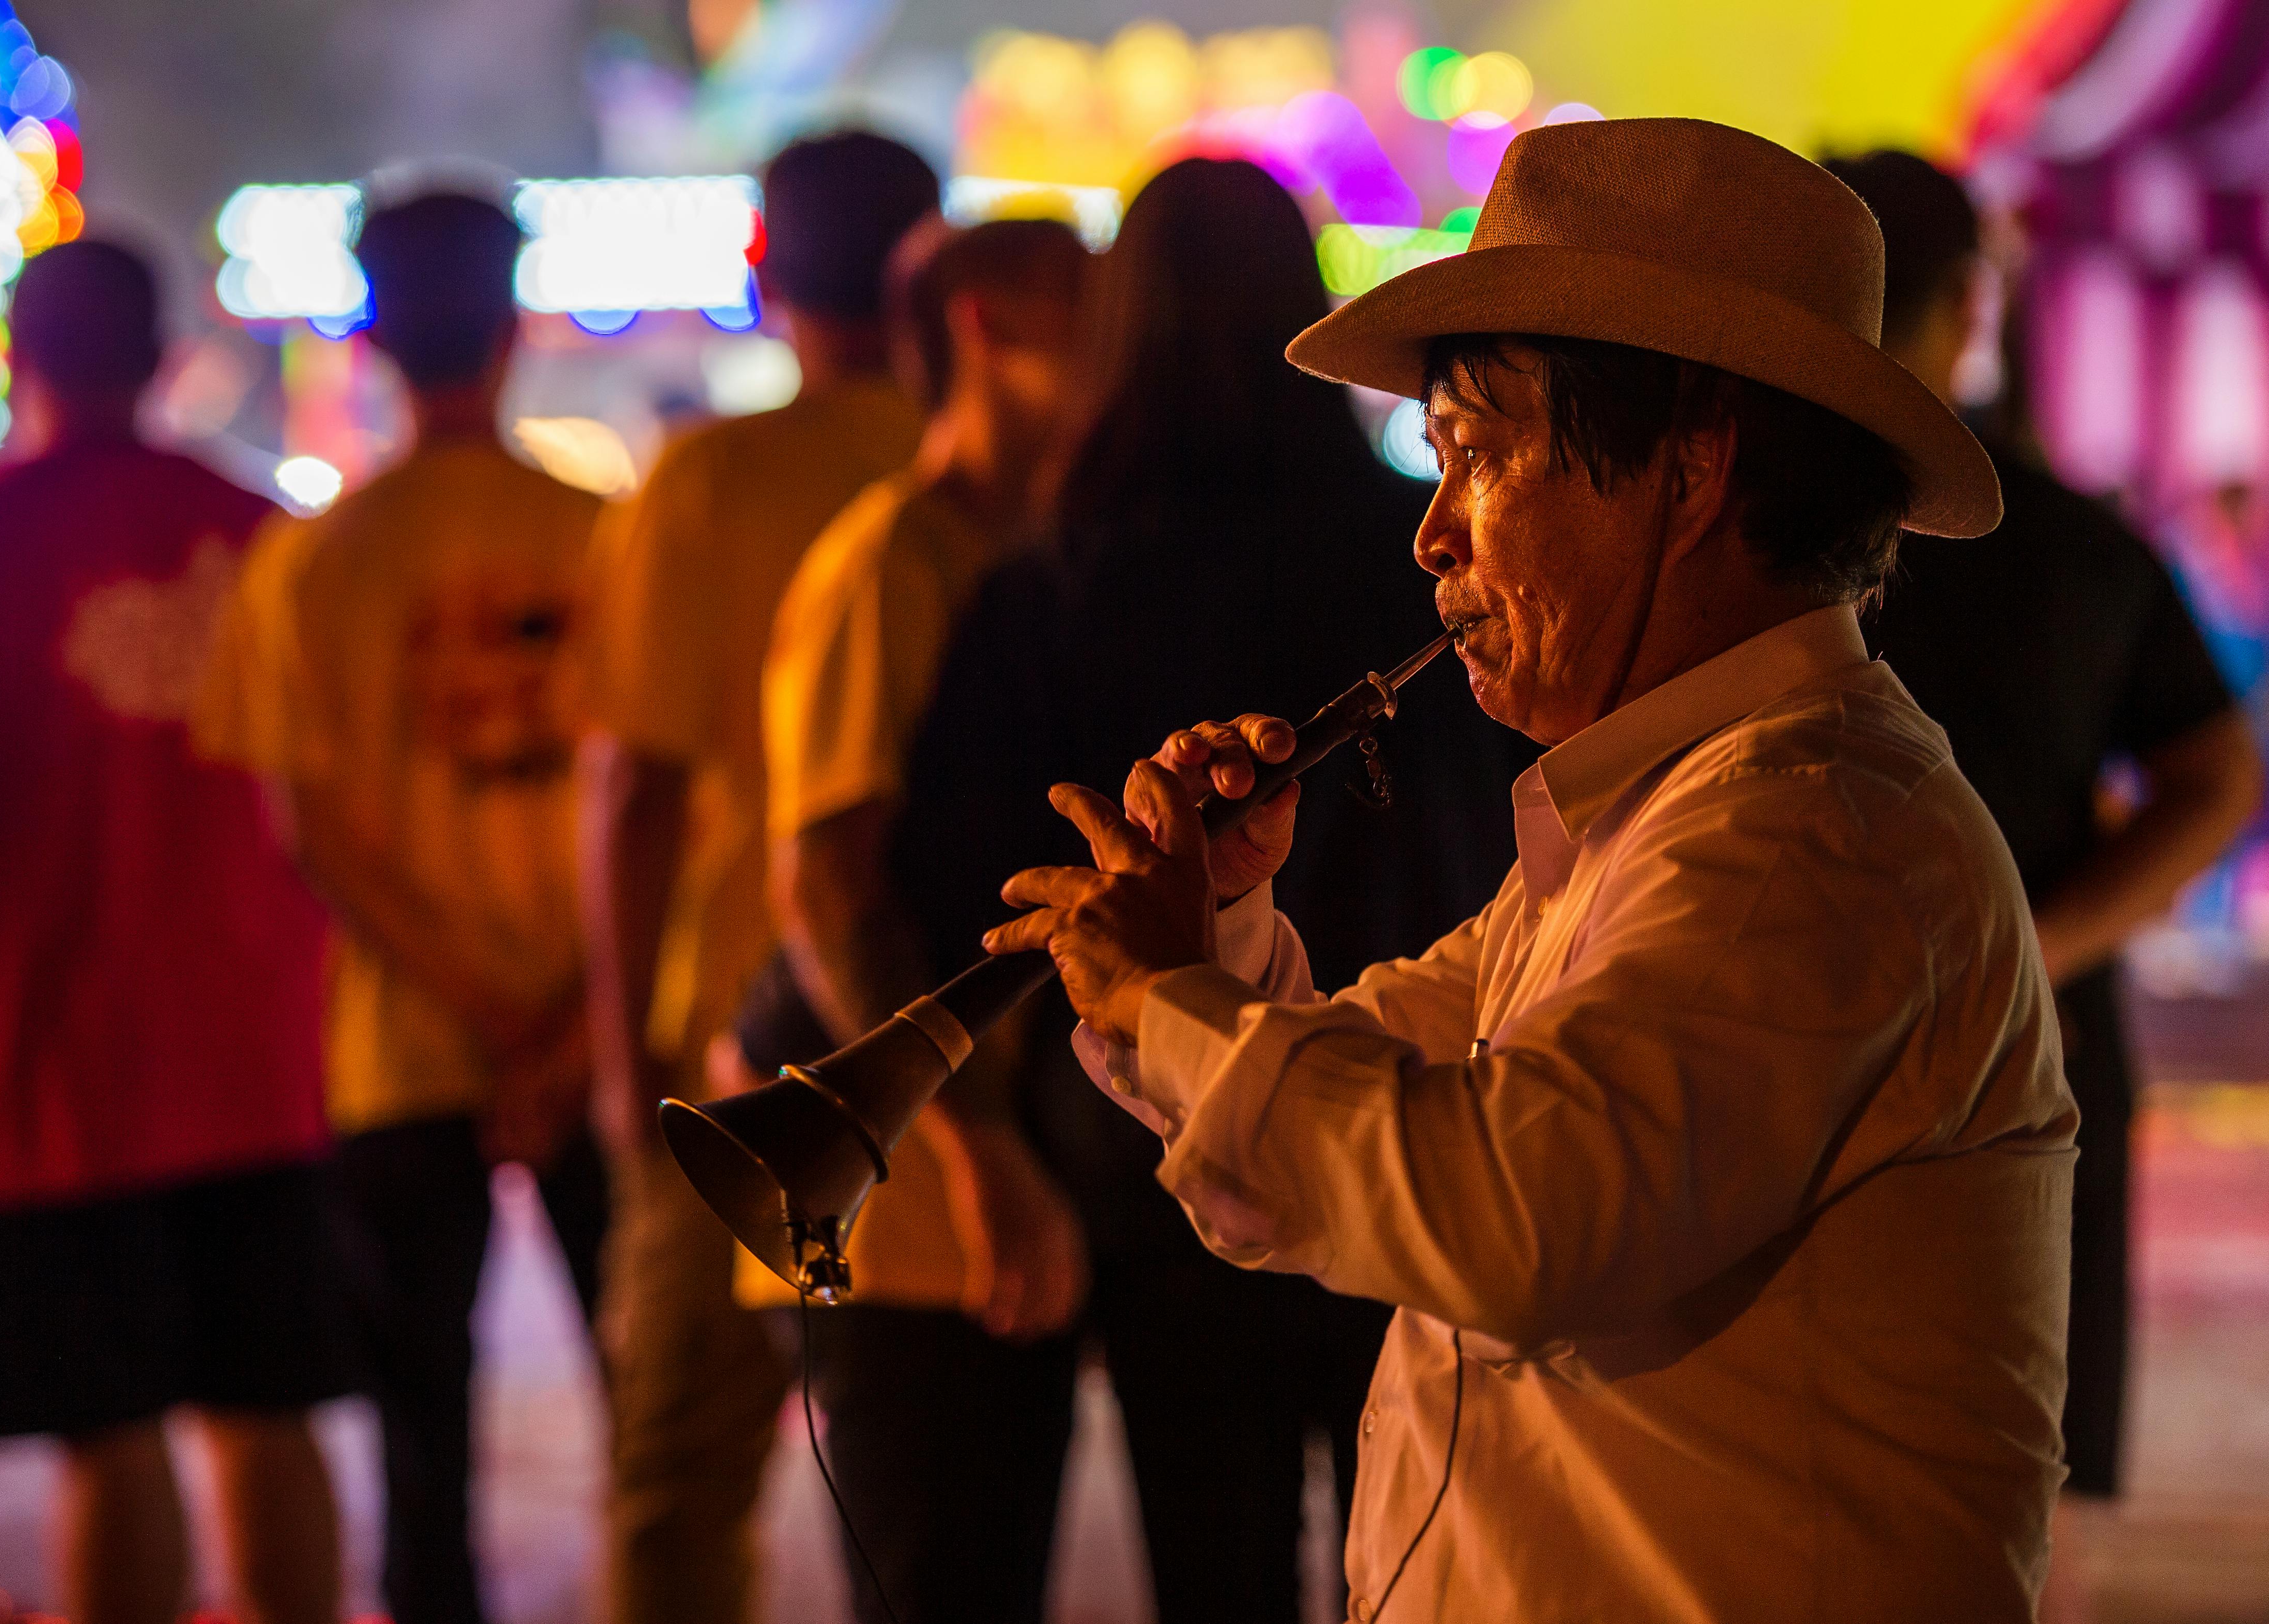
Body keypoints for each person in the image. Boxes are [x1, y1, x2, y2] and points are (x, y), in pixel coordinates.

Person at [986, 118, 2078, 1621]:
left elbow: (1512, 1211)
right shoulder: (1667, 813)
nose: (1433, 534)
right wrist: (1217, 931)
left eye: (1479, 454)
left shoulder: (1811, 831)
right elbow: (1377, 1092)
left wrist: (1171, 988)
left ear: (1689, 472)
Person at [879, 158, 1536, 1624]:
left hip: (1155, 1148)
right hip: (1423, 1106)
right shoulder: (1426, 561)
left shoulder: (1047, 581)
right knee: (1430, 1540)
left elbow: (968, 895)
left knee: (1214, 1555)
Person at [0, 240, 346, 1624]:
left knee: (111, 1444)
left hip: (51, 1083)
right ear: (164, 354)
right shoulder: (261, 536)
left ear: (18, 359)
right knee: (271, 1417)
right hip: (265, 1070)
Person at [193, 190, 609, 1624]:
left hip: (402, 1052)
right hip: (597, 1045)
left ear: (364, 334)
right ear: (517, 327)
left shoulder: (312, 563)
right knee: (656, 1421)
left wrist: (483, 1013)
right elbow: (666, 806)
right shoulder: (606, 536)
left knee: (423, 1444)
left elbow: (310, 836)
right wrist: (558, 1028)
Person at [1828, 149, 2260, 1509]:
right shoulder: (2069, 544)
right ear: (1968, 302)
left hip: (1782, 1055)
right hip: (2037, 1072)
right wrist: (2035, 945)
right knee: (2015, 1501)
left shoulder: (1724, 529)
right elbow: (2214, 777)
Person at [576, 128, 937, 1624]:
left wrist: (617, 1055)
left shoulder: (708, 482)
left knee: (679, 1486)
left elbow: (636, 787)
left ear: (760, 272)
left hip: (727, 1060)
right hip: (942, 1039)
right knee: (920, 1498)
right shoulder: (970, 475)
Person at [749, 216, 1093, 1624]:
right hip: (906, 1207)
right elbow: (826, 878)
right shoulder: (892, 558)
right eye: (1083, 311)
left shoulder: (1033, 548)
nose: (1115, 345)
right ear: (980, 331)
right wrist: (977, 1147)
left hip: (983, 1188)